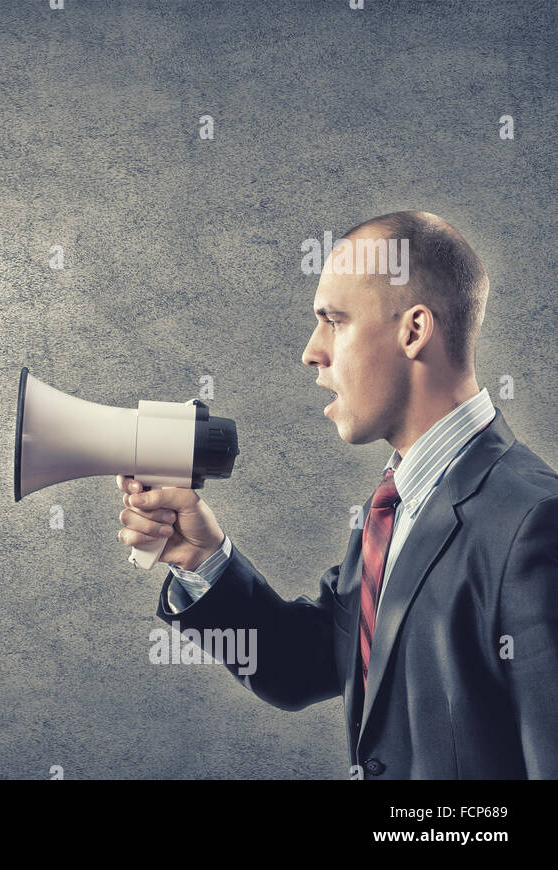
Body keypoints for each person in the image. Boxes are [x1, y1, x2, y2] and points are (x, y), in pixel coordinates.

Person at [118, 211, 558, 779]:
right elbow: (303, 666)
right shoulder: (397, 506)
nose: (311, 351)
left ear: (414, 331)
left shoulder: (534, 524)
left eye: (334, 320)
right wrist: (201, 559)